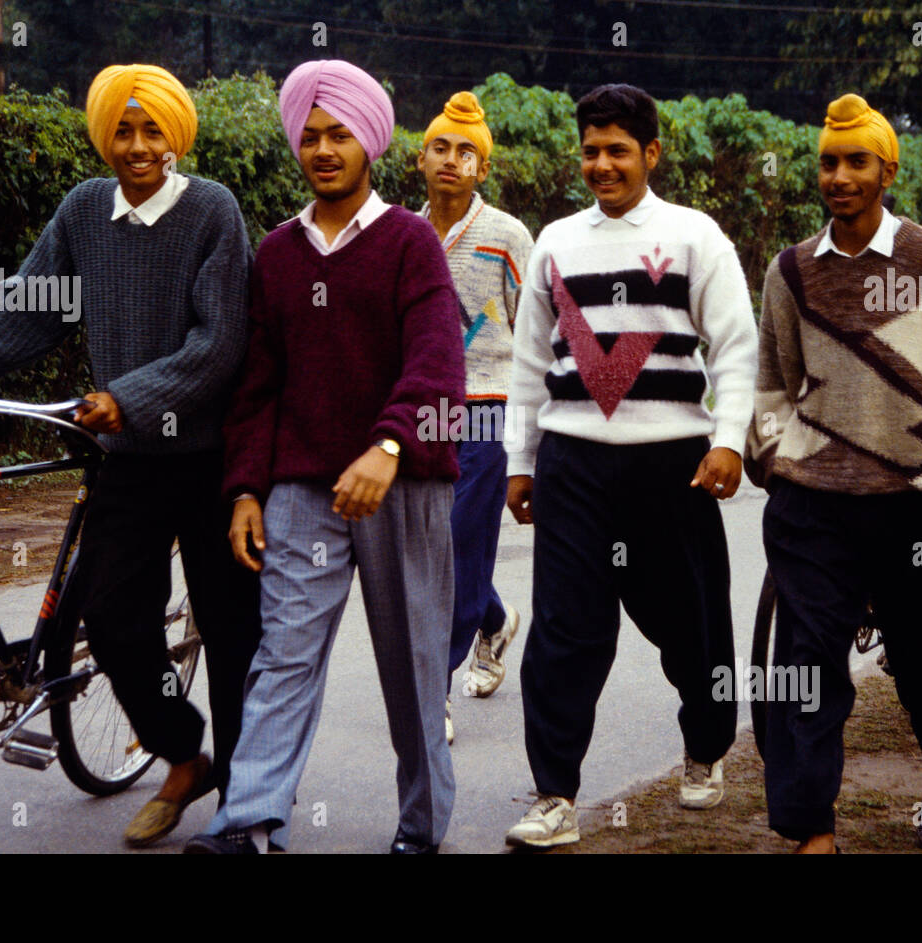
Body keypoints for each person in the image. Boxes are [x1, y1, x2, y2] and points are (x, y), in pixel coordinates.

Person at [0, 64, 261, 848]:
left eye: (151, 130)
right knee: (117, 621)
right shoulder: (86, 211)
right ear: (103, 136)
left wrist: (129, 393)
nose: (136, 146)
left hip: (209, 459)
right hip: (125, 457)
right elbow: (27, 305)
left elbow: (220, 342)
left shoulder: (213, 212)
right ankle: (183, 750)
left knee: (230, 627)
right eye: (121, 131)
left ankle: (243, 794)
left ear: (176, 135)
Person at [184, 59, 465, 855]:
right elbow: (257, 387)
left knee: (413, 669)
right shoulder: (276, 254)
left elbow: (439, 369)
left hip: (402, 482)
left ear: (370, 141)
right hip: (303, 488)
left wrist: (387, 445)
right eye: (310, 136)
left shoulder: (410, 243)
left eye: (339, 133)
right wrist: (244, 489)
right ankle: (248, 821)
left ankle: (421, 827)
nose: (324, 148)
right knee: (282, 657)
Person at [744, 93, 922, 853]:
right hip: (815, 509)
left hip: (920, 506)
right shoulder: (790, 270)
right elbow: (772, 383)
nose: (839, 176)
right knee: (806, 665)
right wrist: (778, 463)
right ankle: (811, 828)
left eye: (856, 161)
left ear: (887, 168)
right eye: (829, 162)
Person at [502, 84, 757, 849]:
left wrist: (730, 440)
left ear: (652, 152)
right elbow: (526, 365)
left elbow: (737, 346)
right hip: (573, 466)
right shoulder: (555, 242)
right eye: (590, 151)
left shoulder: (694, 236)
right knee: (563, 632)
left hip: (672, 464)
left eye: (618, 150)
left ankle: (706, 747)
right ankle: (554, 794)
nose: (602, 165)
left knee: (693, 624)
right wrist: (522, 460)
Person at [416, 91, 535, 744]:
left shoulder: (508, 236)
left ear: (482, 168)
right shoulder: (402, 234)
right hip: (417, 417)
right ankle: (493, 618)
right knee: (431, 546)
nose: (453, 161)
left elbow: (541, 328)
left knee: (458, 548)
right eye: (442, 148)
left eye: (468, 152)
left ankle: (433, 689)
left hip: (489, 414)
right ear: (420, 157)